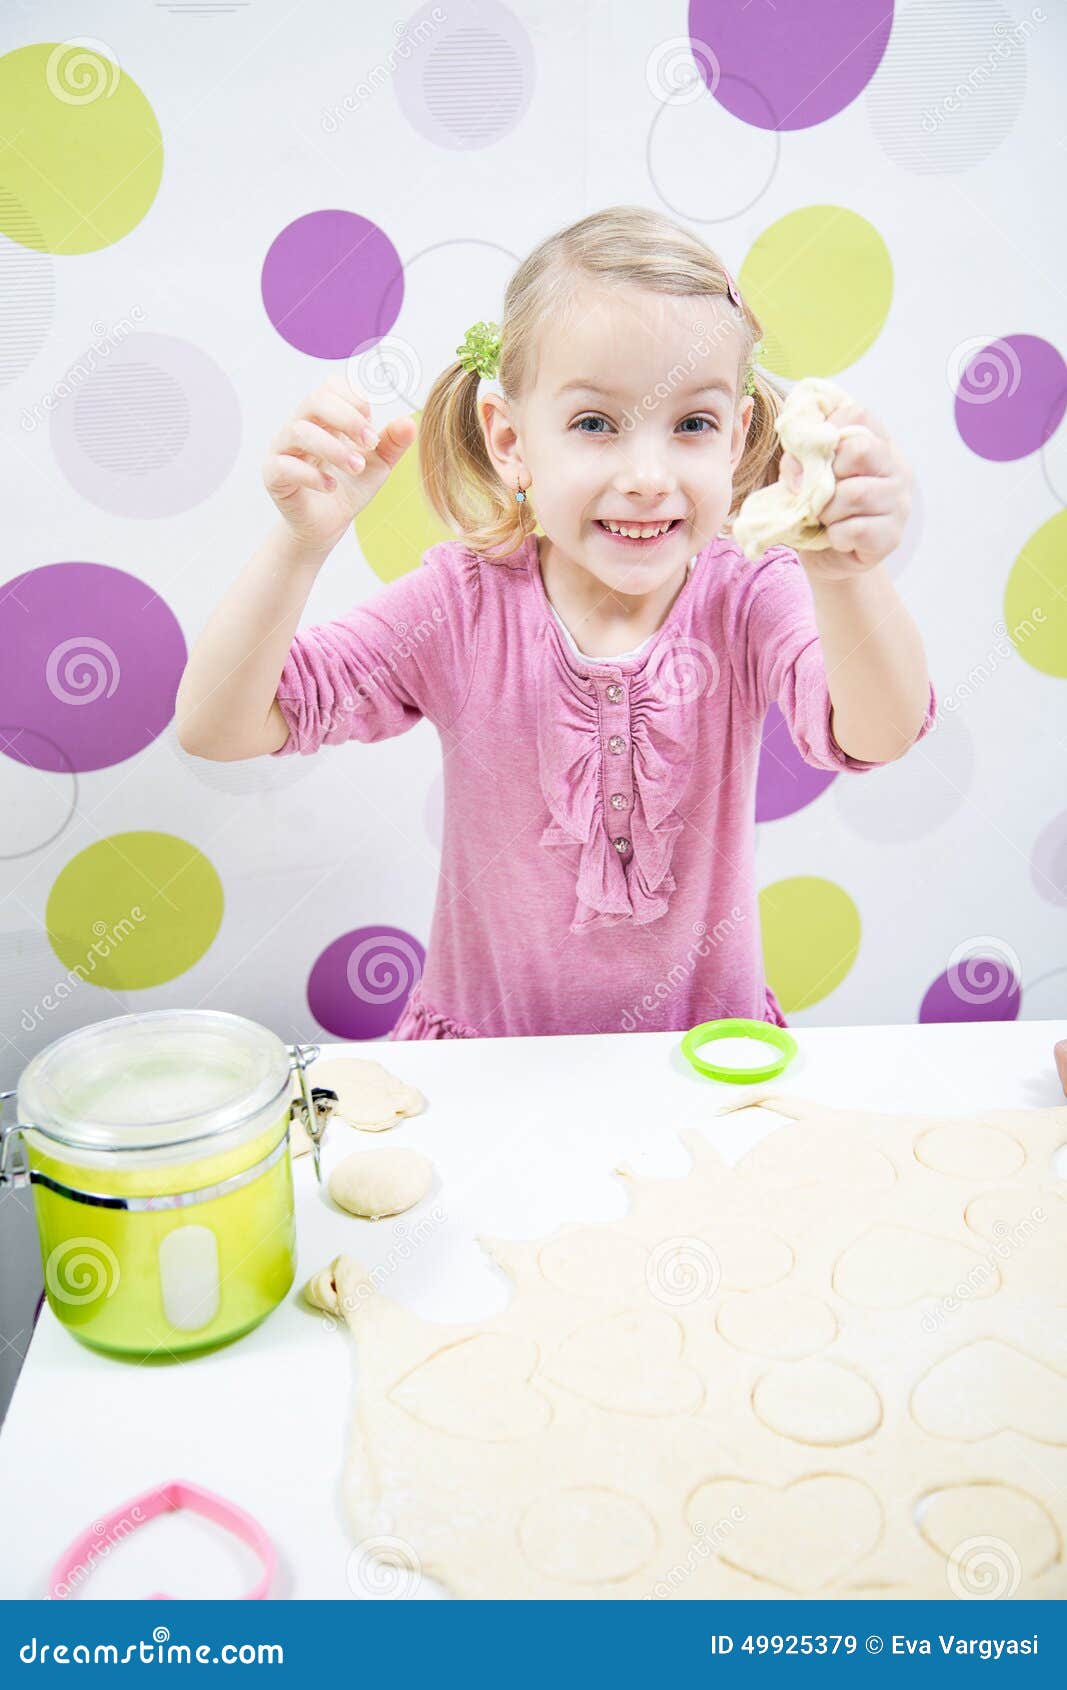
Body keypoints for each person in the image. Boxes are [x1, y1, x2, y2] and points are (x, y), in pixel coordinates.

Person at [176, 205, 936, 1040]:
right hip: (485, 1073)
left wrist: (844, 574)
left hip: (703, 1066)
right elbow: (219, 725)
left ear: (736, 438)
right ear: (510, 440)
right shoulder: (460, 606)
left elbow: (880, 732)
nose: (647, 476)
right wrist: (299, 545)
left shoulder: (748, 594)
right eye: (593, 424)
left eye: (691, 424)